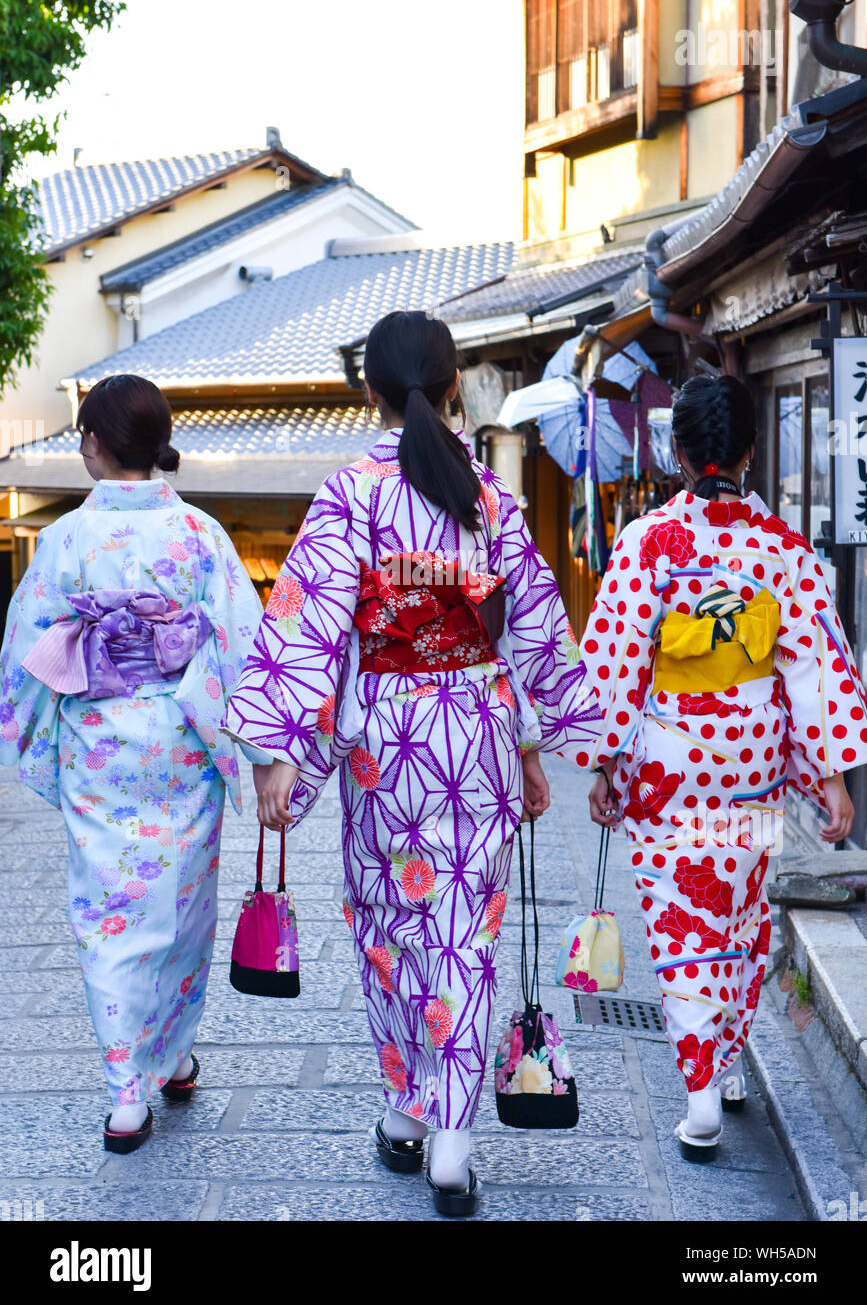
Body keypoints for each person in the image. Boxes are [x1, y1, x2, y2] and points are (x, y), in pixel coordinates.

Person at [223, 310, 601, 1215]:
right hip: (474, 726)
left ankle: (408, 1111)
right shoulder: (492, 498)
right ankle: (449, 1139)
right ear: (453, 388)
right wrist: (542, 746)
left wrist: (277, 751)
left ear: (371, 395)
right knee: (464, 931)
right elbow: (536, 632)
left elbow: (308, 620)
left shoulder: (351, 492)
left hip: (386, 739)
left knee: (392, 920)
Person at [580, 373, 867, 1161]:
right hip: (752, 760)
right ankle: (726, 1059)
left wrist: (604, 761)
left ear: (676, 453)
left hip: (669, 764)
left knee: (682, 927)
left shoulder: (647, 543)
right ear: (748, 452)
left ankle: (700, 1094)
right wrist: (830, 778)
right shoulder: (784, 550)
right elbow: (814, 666)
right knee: (739, 918)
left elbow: (614, 663)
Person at [0, 375, 266, 1153]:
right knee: (181, 904)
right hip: (181, 734)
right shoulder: (200, 535)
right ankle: (173, 1054)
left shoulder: (67, 541)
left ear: (92, 442)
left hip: (99, 744)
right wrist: (256, 750)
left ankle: (126, 1091)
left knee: (106, 908)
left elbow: (25, 653)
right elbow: (242, 643)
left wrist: (36, 736)